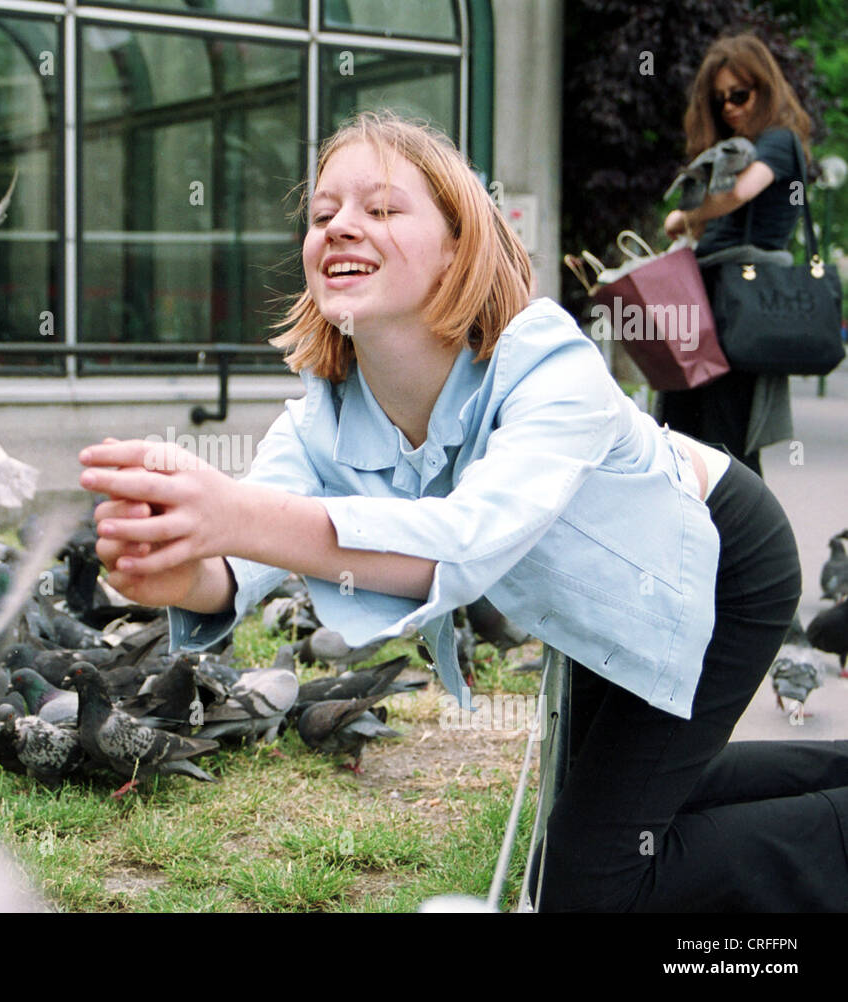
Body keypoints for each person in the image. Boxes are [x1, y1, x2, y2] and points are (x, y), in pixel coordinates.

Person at [78, 110, 848, 912]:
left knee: (588, 884)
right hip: (602, 596)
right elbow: (241, 558)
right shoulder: (319, 415)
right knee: (622, 806)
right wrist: (180, 565)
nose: (341, 225)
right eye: (322, 213)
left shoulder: (548, 360)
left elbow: (461, 544)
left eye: (380, 209)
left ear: (458, 245)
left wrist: (229, 512)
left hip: (721, 565)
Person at [659, 33, 815, 478]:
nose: (730, 108)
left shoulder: (779, 142)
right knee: (681, 438)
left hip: (740, 302)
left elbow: (739, 196)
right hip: (707, 298)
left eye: (740, 95)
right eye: (720, 100)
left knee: (725, 446)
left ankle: (752, 548)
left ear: (764, 90)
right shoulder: (735, 151)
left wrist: (684, 217)